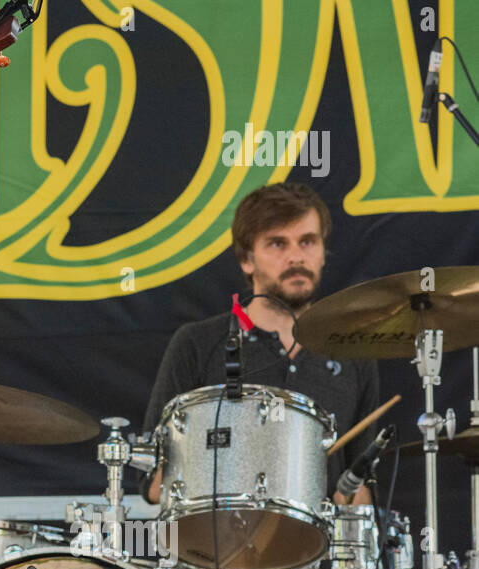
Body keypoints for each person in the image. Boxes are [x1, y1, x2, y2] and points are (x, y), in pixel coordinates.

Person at [142, 182, 381, 506]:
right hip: (220, 534)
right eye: (277, 244)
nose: (296, 256)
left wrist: (351, 496)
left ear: (323, 252)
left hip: (320, 536)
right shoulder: (196, 344)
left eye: (308, 241)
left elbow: (363, 490)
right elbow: (153, 484)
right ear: (246, 259)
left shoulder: (353, 351)